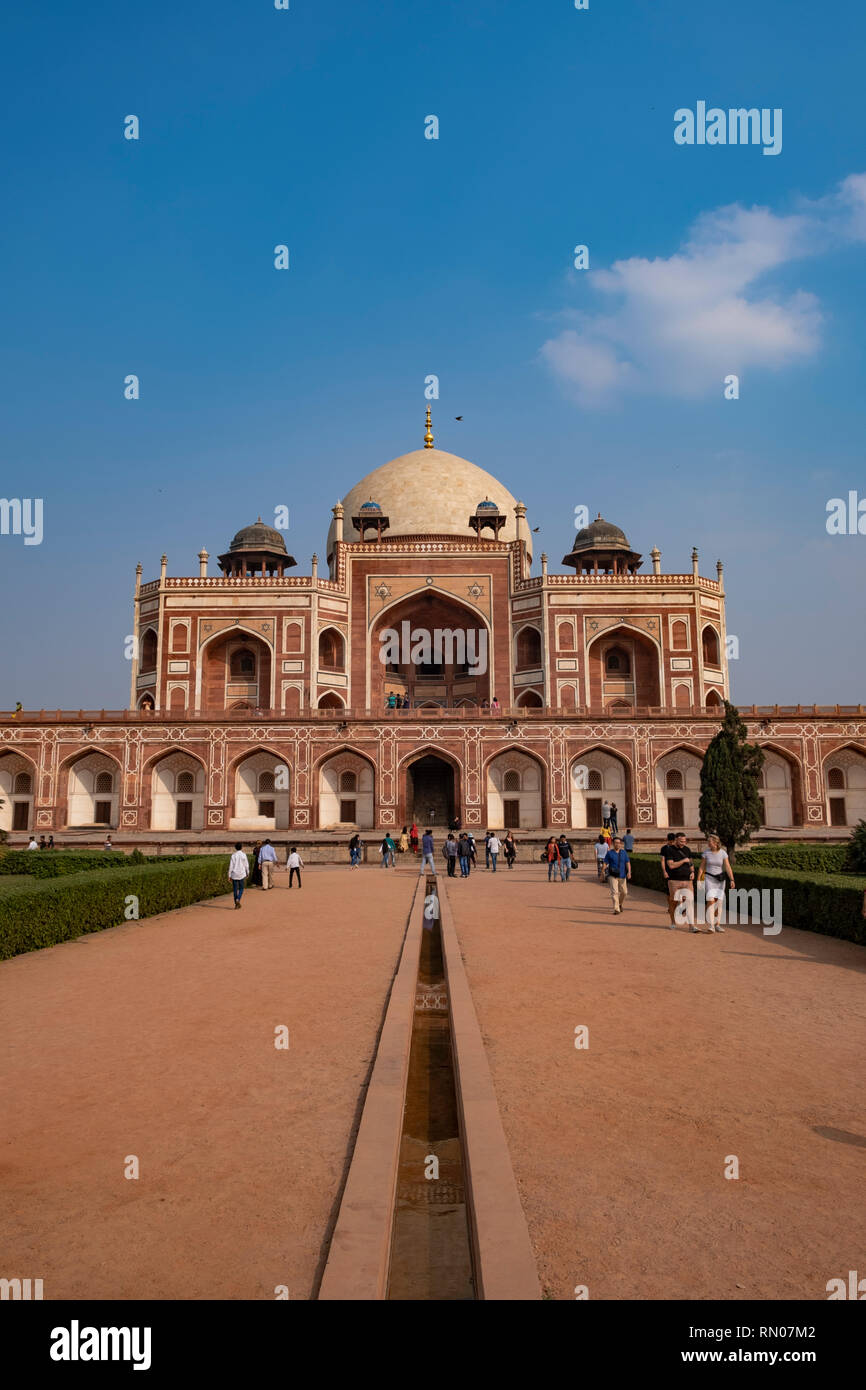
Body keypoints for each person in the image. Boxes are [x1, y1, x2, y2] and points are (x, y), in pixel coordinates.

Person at [698, 834, 735, 933]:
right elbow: (702, 867)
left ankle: (717, 924)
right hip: (709, 878)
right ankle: (711, 926)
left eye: (709, 841)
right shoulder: (706, 853)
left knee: (719, 902)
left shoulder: (723, 853)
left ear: (715, 842)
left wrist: (732, 879)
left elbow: (727, 867)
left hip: (720, 880)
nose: (708, 843)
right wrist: (699, 880)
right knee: (711, 901)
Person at [661, 832, 696, 931]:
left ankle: (691, 926)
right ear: (676, 840)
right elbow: (671, 865)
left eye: (685, 841)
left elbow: (691, 863)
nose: (683, 843)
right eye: (681, 841)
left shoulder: (687, 850)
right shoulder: (669, 850)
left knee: (689, 902)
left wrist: (692, 872)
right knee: (673, 902)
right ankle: (673, 922)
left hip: (687, 880)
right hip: (674, 880)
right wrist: (683, 861)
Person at [604, 836, 631, 914]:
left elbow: (627, 863)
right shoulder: (609, 853)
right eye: (616, 843)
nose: (617, 844)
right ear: (613, 844)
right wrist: (602, 872)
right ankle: (616, 909)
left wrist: (629, 872)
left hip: (622, 875)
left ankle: (619, 904)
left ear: (621, 844)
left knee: (624, 892)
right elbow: (605, 863)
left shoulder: (624, 852)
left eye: (619, 843)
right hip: (612, 875)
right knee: (614, 892)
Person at [228, 842, 250, 910]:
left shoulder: (233, 855)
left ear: (235, 848)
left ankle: (236, 903)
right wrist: (248, 872)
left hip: (234, 874)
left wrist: (229, 875)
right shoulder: (244, 855)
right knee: (241, 888)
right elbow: (246, 865)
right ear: (241, 847)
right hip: (241, 873)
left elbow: (231, 866)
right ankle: (238, 899)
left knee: (235, 889)